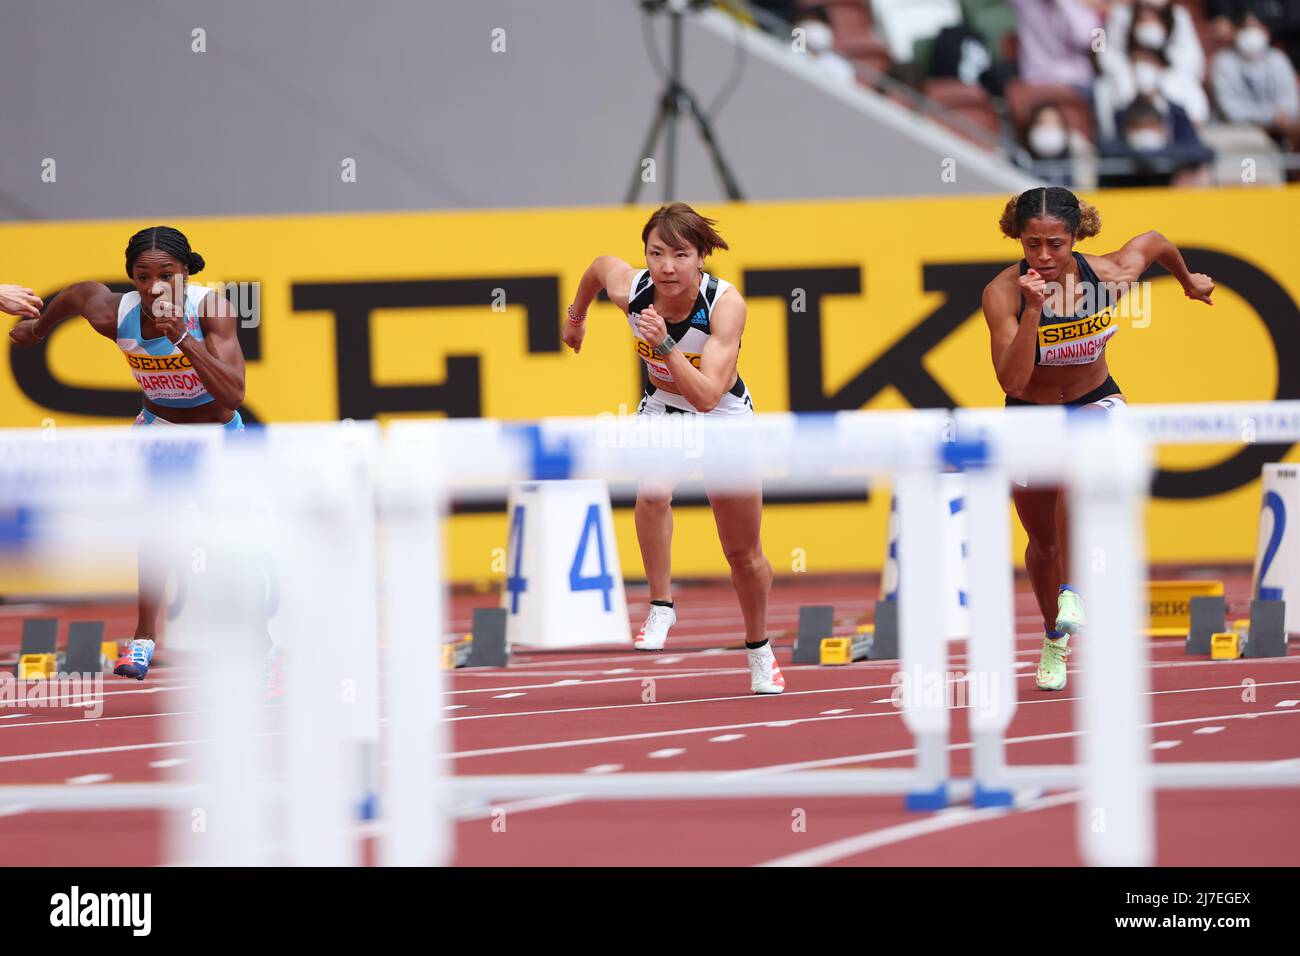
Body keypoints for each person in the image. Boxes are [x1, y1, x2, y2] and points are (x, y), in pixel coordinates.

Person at [981, 187, 1214, 691]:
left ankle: (1074, 588)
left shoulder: (1109, 275)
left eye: (1056, 244)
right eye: (1032, 243)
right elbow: (1013, 382)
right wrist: (1034, 313)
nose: (1043, 257)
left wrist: (1188, 282)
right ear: (1017, 238)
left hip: (1097, 401)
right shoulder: (1004, 293)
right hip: (1030, 412)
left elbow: (1153, 241)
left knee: (1079, 455)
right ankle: (1053, 639)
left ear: (1077, 236)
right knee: (1042, 543)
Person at [561, 203, 783, 695]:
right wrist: (576, 318)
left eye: (679, 255)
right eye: (655, 253)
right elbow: (599, 266)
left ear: (701, 256)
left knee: (742, 553)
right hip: (663, 410)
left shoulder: (725, 305)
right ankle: (661, 605)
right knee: (652, 493)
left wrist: (664, 347)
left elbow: (706, 397)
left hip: (723, 418)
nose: (666, 267)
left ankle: (760, 649)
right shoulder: (636, 290)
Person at [8, 226, 248, 681]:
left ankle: (258, 646)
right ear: (131, 278)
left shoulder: (210, 307)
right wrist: (38, 330)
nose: (155, 286)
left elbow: (233, 393)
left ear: (186, 272)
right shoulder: (115, 315)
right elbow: (79, 294)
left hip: (217, 435)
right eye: (142, 276)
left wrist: (183, 339)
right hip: (158, 430)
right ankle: (143, 638)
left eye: (167, 274)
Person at [1212, 8, 1300, 156]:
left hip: (1281, 132)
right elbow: (1232, 111)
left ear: (1266, 31)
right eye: (1245, 28)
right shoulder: (1223, 61)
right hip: (1240, 134)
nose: (1251, 33)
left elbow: (1290, 105)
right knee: (1250, 176)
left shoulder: (1278, 59)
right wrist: (1271, 118)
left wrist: (1270, 121)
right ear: (1235, 31)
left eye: (1255, 27)